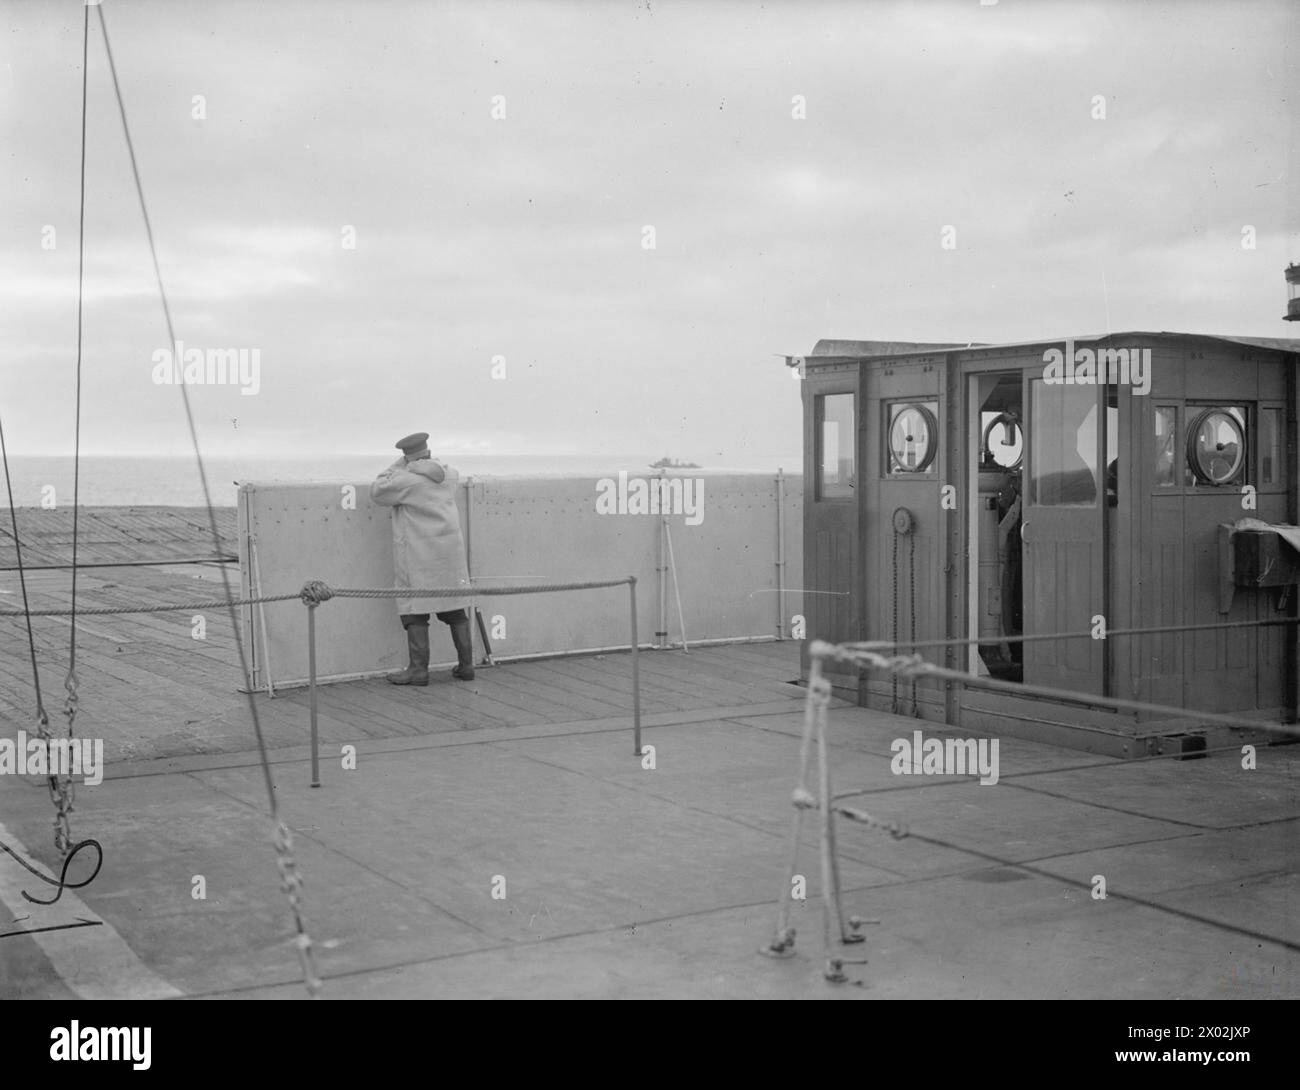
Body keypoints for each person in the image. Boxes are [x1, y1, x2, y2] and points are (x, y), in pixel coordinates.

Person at [370, 432, 475, 684]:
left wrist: (399, 465)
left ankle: (418, 670)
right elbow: (441, 471)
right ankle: (466, 666)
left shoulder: (407, 480)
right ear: (428, 451)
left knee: (413, 609)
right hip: (449, 552)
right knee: (455, 608)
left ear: (407, 456)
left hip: (419, 553)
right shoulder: (449, 474)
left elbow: (377, 491)